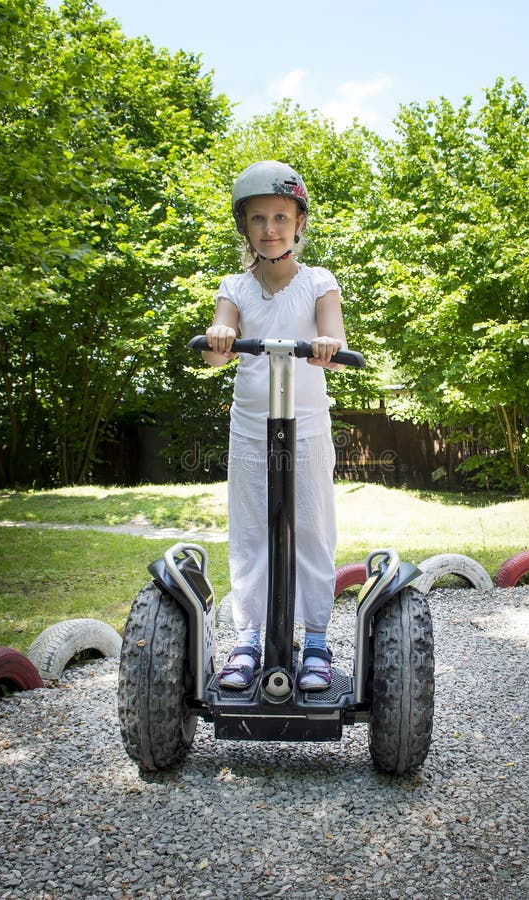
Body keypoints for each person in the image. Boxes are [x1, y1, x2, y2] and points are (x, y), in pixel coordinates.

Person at [202, 160, 347, 692]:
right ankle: (246, 640)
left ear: (298, 222)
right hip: (249, 428)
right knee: (249, 532)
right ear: (245, 226)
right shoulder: (234, 286)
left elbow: (333, 343)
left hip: (305, 426)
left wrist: (329, 346)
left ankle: (315, 643)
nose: (270, 228)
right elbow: (219, 350)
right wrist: (220, 332)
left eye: (281, 216)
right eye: (259, 218)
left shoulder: (318, 282)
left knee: (310, 527)